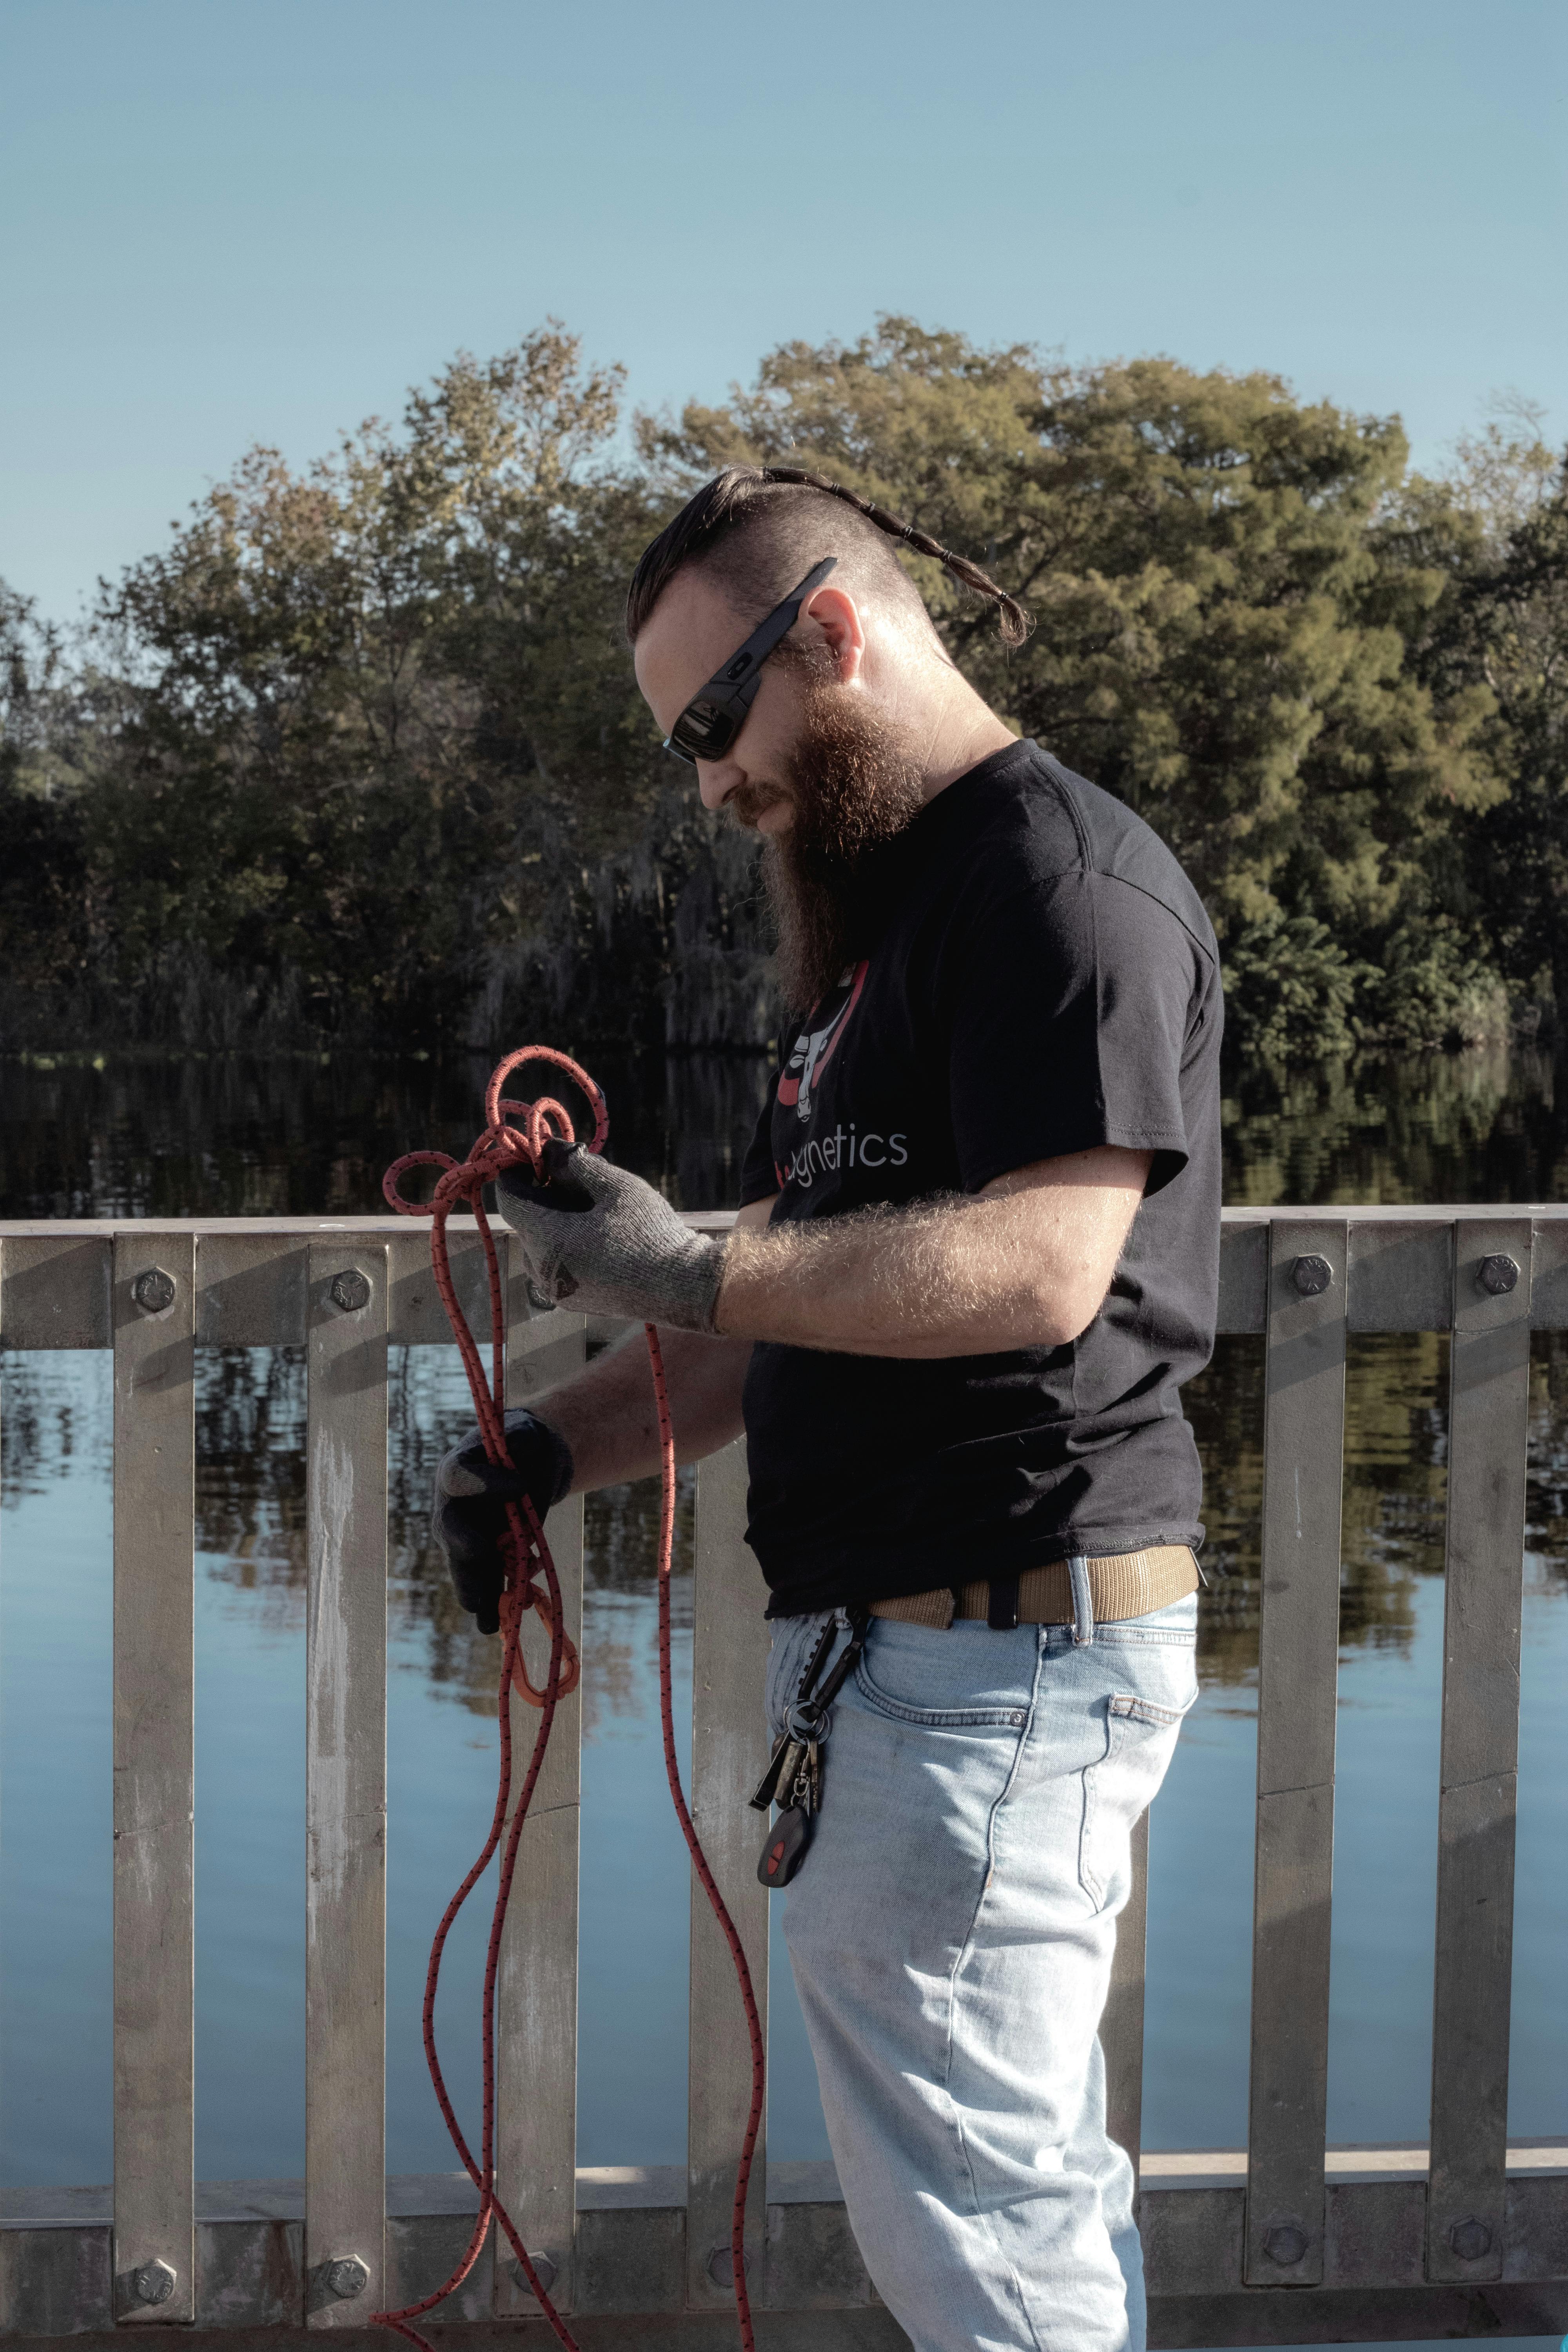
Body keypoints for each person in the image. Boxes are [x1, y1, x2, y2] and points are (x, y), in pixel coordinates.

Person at [432, 465, 1223, 2352]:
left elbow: (1039, 1268)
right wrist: (549, 1450)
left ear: (836, 634)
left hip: (1000, 1658)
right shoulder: (883, 919)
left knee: (983, 2235)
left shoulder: (1059, 887)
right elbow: (807, 1313)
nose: (709, 783)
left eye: (717, 723)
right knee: (1010, 2193)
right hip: (929, 1668)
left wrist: (689, 1259)